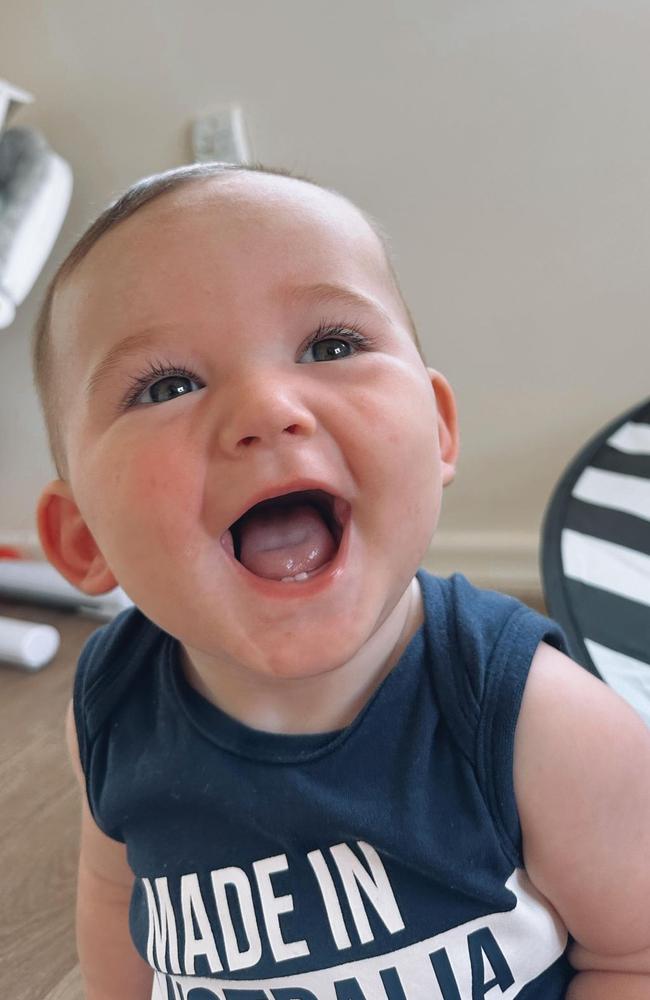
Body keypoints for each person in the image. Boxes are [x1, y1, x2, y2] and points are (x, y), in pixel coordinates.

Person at [33, 163, 650, 1000]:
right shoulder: (108, 710)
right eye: (167, 385)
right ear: (82, 539)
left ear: (436, 431)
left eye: (331, 346)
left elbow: (634, 956)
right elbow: (117, 896)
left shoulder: (541, 719)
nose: (265, 408)